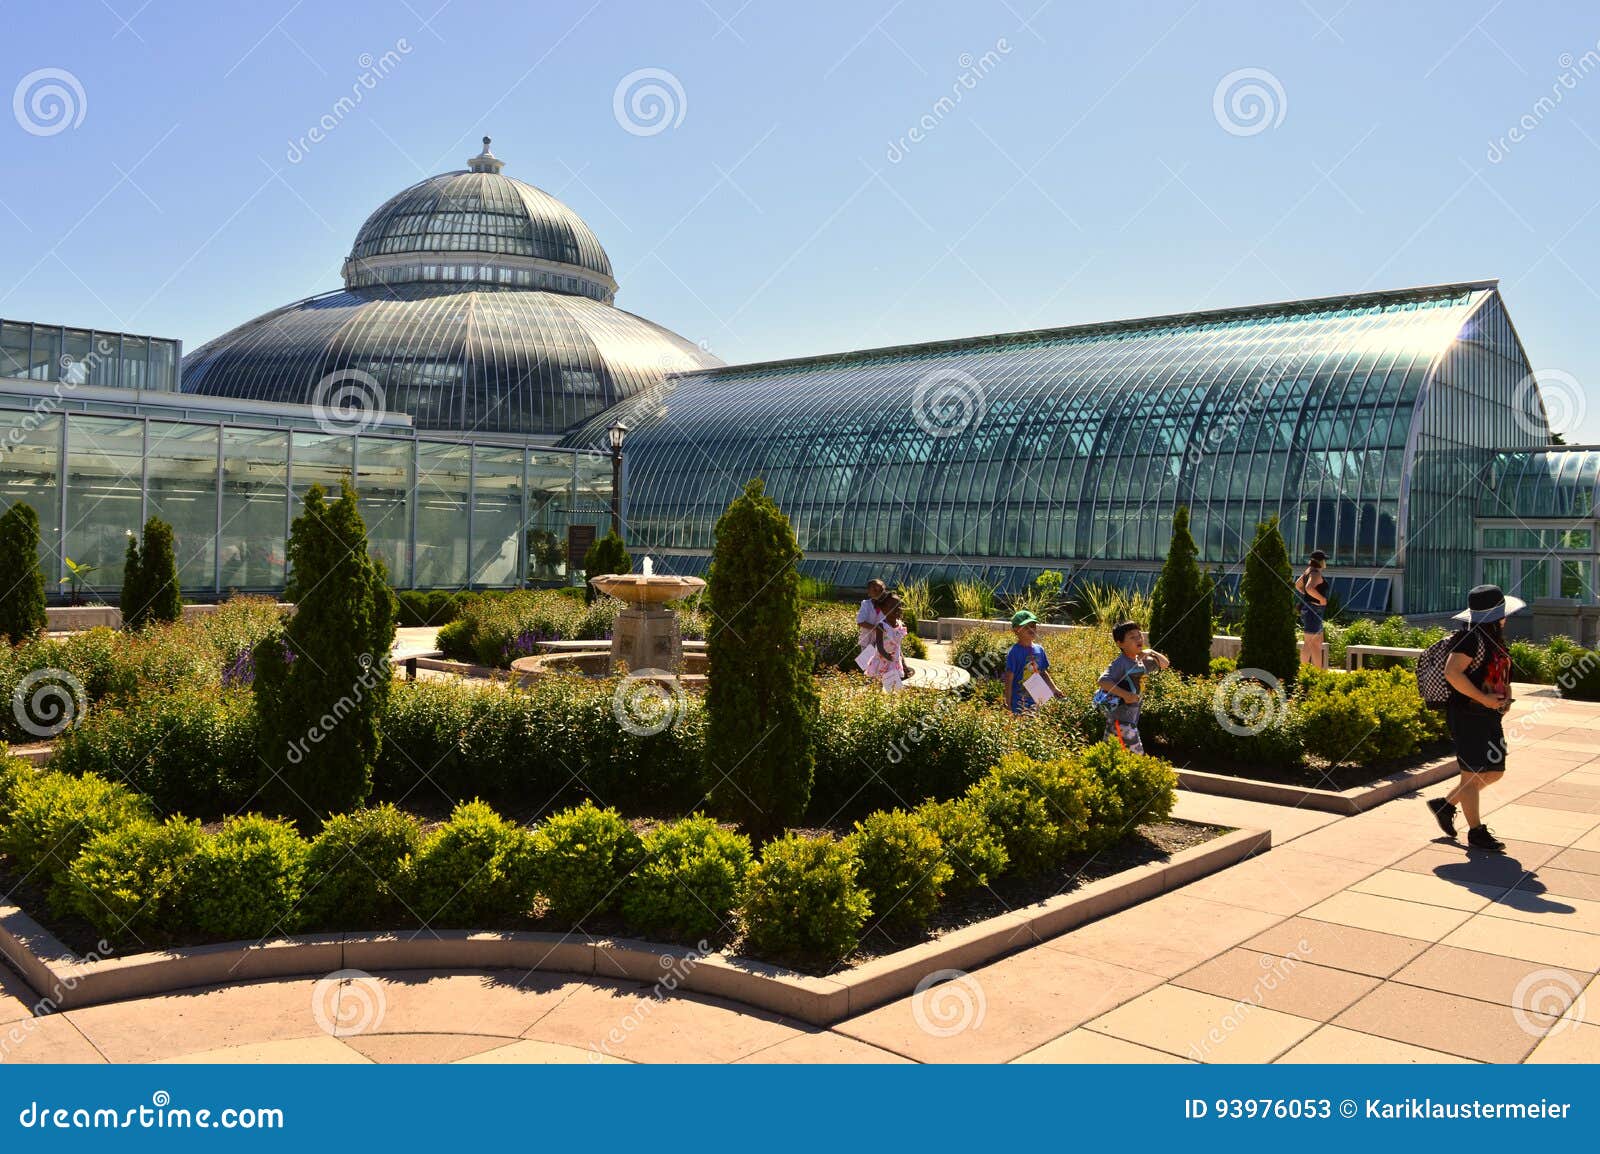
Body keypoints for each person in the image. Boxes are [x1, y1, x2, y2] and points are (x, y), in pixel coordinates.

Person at [1426, 584, 1521, 853]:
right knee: (1472, 775)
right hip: (1467, 714)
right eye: (1503, 613)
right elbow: (1452, 673)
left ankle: (1445, 805)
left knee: (1494, 772)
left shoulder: (1495, 641)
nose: (1506, 618)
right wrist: (1483, 698)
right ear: (1495, 616)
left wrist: (1505, 697)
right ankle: (1476, 833)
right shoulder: (1469, 639)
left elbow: (1501, 673)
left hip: (1488, 714)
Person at [1095, 621, 1170, 754]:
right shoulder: (1121, 662)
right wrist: (1126, 695)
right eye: (1132, 637)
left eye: (1139, 635)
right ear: (1120, 643)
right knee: (1136, 759)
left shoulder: (1141, 661)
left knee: (1112, 758)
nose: (1138, 639)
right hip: (1121, 722)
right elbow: (1102, 681)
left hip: (1129, 721)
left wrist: (1151, 652)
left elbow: (1165, 664)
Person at [1003, 610, 1060, 714]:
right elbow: (1009, 678)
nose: (1031, 629)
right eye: (1026, 627)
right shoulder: (1014, 652)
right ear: (1016, 630)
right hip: (1019, 702)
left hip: (1037, 699)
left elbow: (1043, 672)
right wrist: (1008, 701)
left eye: (1033, 625)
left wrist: (1054, 688)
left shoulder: (1039, 649)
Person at [864, 594, 908, 692]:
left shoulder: (900, 625)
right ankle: (875, 699)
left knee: (894, 688)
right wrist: (886, 655)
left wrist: (903, 662)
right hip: (882, 659)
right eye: (892, 607)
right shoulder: (882, 626)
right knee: (878, 684)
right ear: (884, 610)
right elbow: (879, 645)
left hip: (894, 660)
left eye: (898, 606)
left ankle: (890, 702)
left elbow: (898, 646)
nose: (897, 609)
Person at [1295, 550, 1330, 669]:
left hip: (1310, 609)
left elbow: (1298, 585)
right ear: (1320, 561)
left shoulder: (1308, 571)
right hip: (1313, 610)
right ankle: (1312, 672)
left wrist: (1306, 596)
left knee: (1315, 643)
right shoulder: (1315, 574)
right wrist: (1321, 599)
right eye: (1324, 560)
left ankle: (1315, 671)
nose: (1325, 562)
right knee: (1311, 644)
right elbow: (1309, 588)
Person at [858, 579, 886, 650]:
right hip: (867, 642)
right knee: (867, 661)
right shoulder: (866, 604)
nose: (878, 592)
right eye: (874, 589)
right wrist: (876, 628)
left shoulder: (888, 605)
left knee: (883, 660)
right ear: (869, 592)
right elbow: (860, 622)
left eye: (881, 589)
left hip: (884, 643)